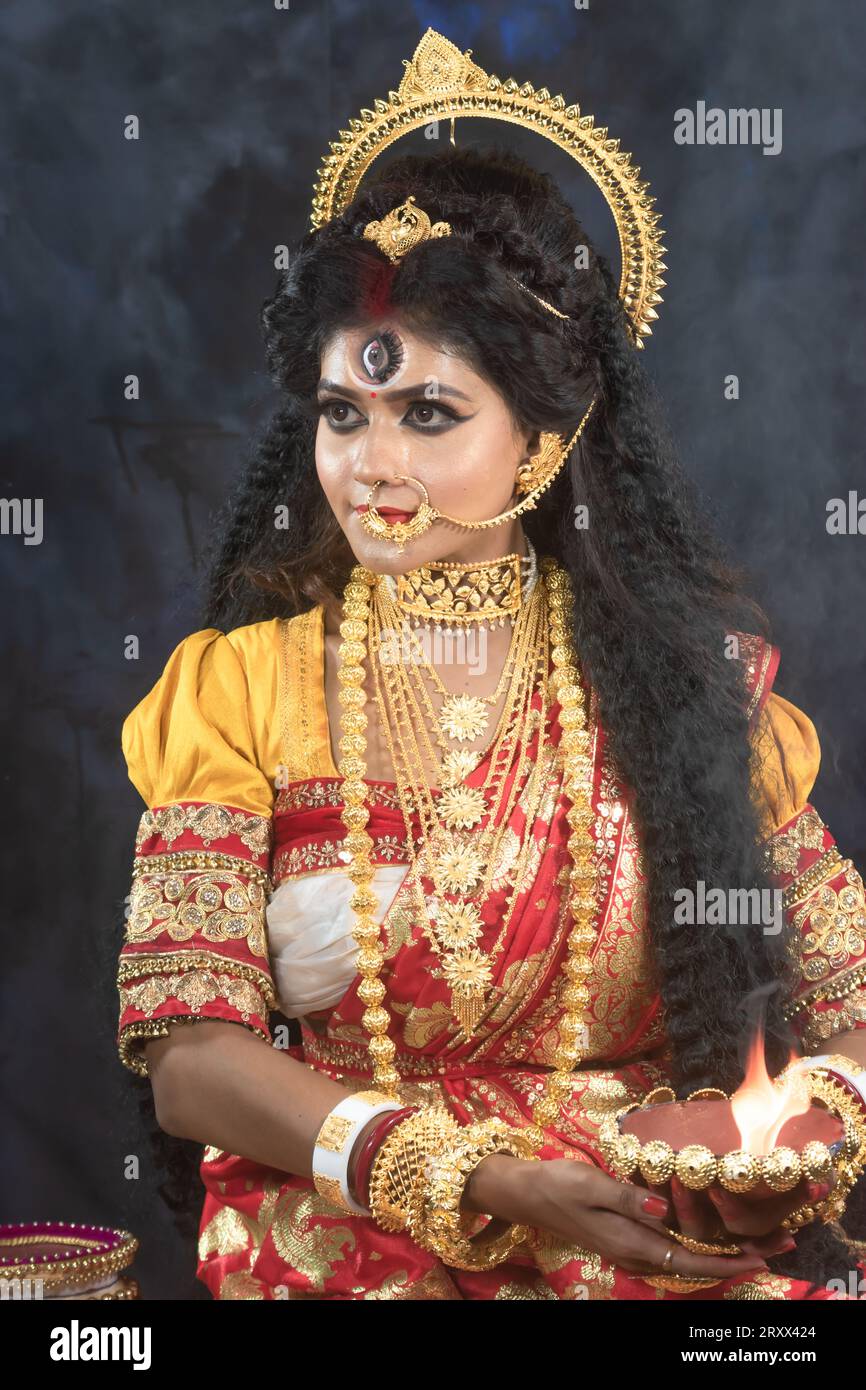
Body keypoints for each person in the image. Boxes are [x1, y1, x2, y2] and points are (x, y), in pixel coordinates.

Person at [114, 31, 866, 1300]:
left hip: (654, 1231)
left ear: (549, 436)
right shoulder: (238, 688)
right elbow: (190, 1060)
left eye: (430, 415)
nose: (370, 466)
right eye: (343, 412)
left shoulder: (687, 686)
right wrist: (461, 1177)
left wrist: (787, 1134)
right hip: (353, 1222)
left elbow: (846, 999)